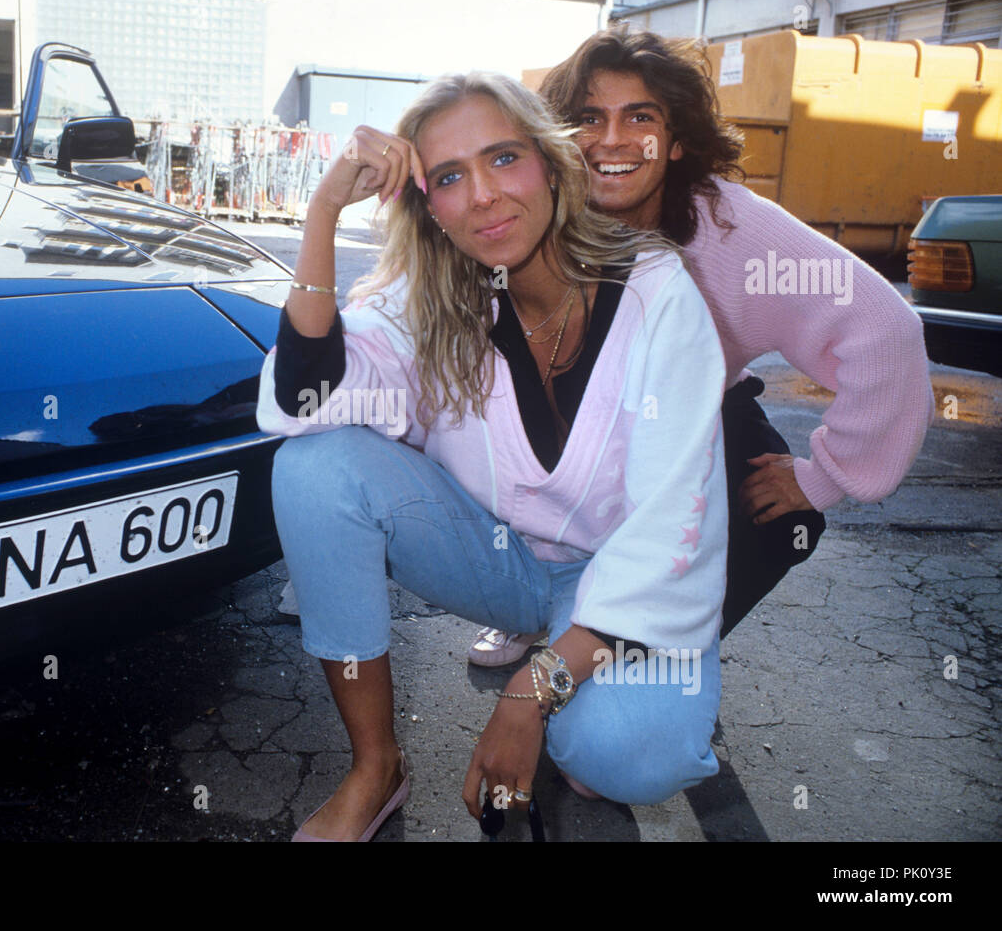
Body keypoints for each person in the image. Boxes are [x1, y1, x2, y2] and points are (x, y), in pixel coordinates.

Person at [256, 71, 730, 841]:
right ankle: (376, 767)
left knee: (630, 756)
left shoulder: (656, 292)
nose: (482, 195)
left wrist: (530, 694)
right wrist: (322, 213)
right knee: (314, 467)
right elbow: (307, 398)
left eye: (504, 158)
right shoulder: (433, 300)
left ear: (551, 165)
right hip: (501, 563)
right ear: (430, 208)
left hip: (622, 580)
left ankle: (588, 703)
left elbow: (674, 524)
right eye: (449, 177)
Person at [468, 28, 934, 667]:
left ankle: (655, 658)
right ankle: (531, 608)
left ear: (678, 138)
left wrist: (824, 476)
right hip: (554, 417)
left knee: (781, 524)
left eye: (641, 117)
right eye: (588, 119)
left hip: (687, 414)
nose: (612, 139)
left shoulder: (729, 224)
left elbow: (885, 327)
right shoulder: (526, 211)